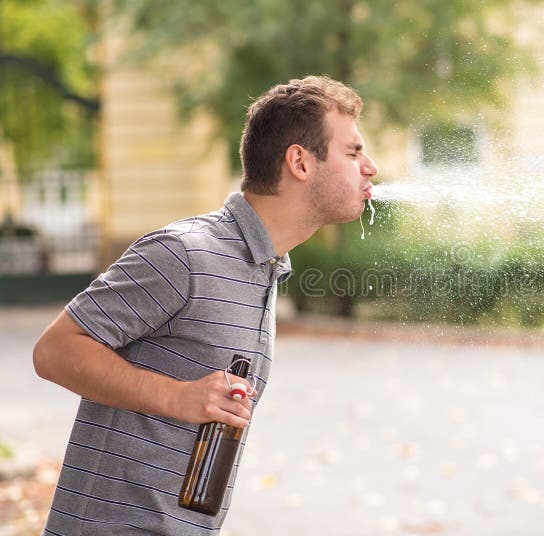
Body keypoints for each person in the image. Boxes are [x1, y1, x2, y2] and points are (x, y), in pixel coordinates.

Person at [33, 75, 378, 535]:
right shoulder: (185, 254)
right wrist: (178, 397)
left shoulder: (263, 270)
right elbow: (54, 351)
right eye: (353, 152)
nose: (370, 166)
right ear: (300, 161)